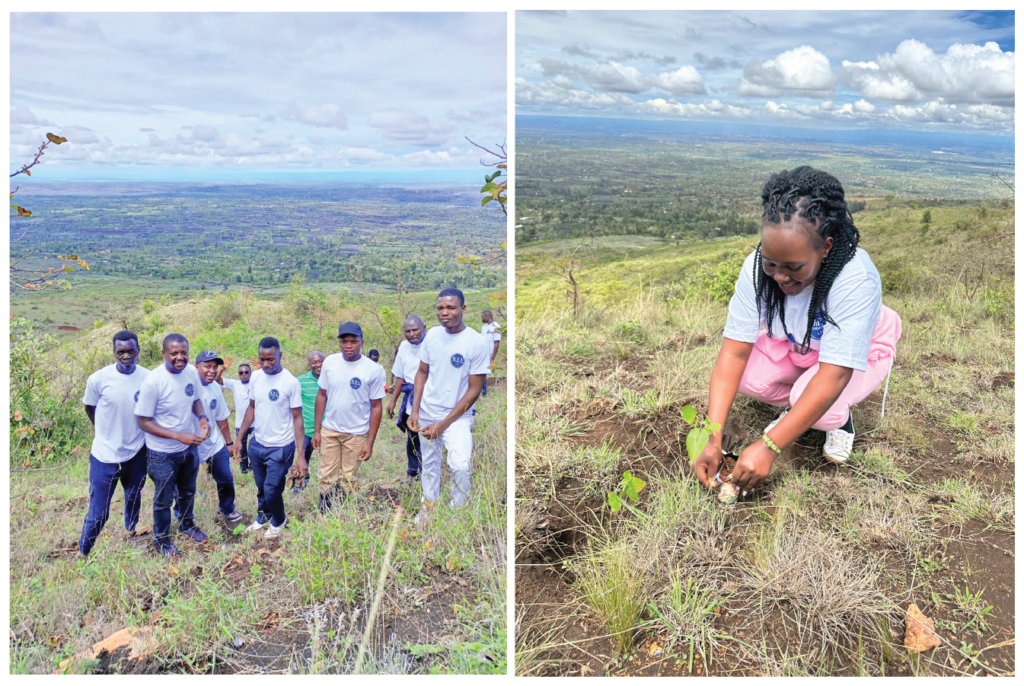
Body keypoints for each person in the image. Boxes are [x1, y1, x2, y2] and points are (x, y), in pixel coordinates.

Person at [692, 166, 902, 498]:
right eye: (770, 263)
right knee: (748, 377)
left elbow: (834, 374)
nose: (780, 277)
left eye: (794, 267)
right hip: (799, 347)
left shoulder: (855, 279)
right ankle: (804, 403)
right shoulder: (755, 269)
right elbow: (733, 354)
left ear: (826, 247)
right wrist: (712, 437)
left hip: (857, 356)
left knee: (816, 398)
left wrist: (770, 446)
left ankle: (834, 417)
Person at [409, 288, 491, 509]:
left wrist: (443, 424)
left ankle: (458, 511)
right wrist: (415, 410)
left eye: (451, 308)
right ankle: (428, 508)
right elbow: (422, 373)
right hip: (428, 413)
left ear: (463, 309)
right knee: (430, 464)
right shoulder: (432, 336)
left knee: (460, 465)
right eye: (440, 308)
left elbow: (474, 390)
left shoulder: (476, 342)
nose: (444, 313)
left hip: (458, 416)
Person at [136, 333, 210, 556]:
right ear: (164, 354)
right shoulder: (153, 382)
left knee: (188, 491)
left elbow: (196, 399)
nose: (180, 357)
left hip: (189, 448)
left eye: (183, 353)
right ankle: (161, 538)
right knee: (163, 499)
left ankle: (186, 524)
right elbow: (143, 421)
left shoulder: (191, 373)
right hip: (162, 453)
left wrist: (202, 418)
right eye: (174, 353)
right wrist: (178, 436)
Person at [78, 331, 150, 558]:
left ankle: (131, 531)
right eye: (121, 352)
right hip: (104, 456)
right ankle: (84, 552)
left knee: (134, 495)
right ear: (114, 352)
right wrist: (102, 432)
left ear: (138, 350)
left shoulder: (148, 378)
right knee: (99, 513)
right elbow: (89, 407)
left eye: (131, 351)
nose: (126, 356)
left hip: (137, 452)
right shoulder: (98, 379)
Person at [233, 337, 307, 539]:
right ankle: (263, 516)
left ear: (280, 356)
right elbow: (252, 408)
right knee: (261, 487)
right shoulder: (256, 377)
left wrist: (301, 455)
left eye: (271, 359)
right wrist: (240, 438)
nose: (266, 364)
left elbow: (297, 418)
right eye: (262, 359)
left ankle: (279, 520)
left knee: (272, 489)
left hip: (280, 447)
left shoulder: (290, 382)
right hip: (257, 444)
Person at [312, 322, 386, 512]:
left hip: (356, 434)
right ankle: (325, 512)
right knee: (326, 475)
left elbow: (376, 407)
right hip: (330, 430)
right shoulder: (330, 362)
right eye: (344, 342)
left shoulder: (373, 370)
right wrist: (317, 431)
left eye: (353, 341)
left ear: (362, 342)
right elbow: (322, 395)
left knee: (348, 477)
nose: (348, 346)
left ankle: (341, 513)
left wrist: (370, 442)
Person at [193, 351, 244, 523]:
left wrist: (229, 442)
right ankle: (184, 517)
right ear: (196, 367)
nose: (212, 371)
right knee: (185, 485)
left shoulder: (215, 386)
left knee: (226, 477)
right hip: (189, 445)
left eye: (215, 367)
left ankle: (228, 509)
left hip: (213, 443)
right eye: (207, 366)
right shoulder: (187, 387)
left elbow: (221, 416)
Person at [386, 315, 426, 483]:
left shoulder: (431, 344)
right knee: (412, 438)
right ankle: (413, 475)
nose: (411, 334)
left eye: (415, 330)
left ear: (423, 328)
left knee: (428, 438)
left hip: (429, 397)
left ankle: (429, 475)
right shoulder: (403, 346)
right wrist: (393, 400)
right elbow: (400, 376)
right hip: (410, 398)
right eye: (407, 331)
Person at [295, 350, 326, 493]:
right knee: (302, 461)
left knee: (329, 464)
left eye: (320, 361)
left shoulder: (332, 379)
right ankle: (299, 489)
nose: (318, 365)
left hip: (328, 431)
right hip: (307, 431)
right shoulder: (300, 381)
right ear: (309, 364)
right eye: (314, 362)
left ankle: (328, 491)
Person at [218, 363, 254, 475]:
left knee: (254, 447)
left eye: (246, 372)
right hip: (240, 424)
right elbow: (217, 380)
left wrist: (262, 368)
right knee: (242, 448)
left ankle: (253, 467)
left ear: (250, 373)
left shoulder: (255, 383)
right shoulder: (235, 384)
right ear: (238, 374)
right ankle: (243, 468)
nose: (244, 374)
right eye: (241, 373)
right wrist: (222, 368)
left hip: (255, 423)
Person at [479, 310, 502, 397]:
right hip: (482, 352)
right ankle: (482, 391)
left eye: (482, 317)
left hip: (489, 353)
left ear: (487, 317)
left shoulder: (496, 326)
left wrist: (492, 357)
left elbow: (496, 343)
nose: (482, 319)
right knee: (481, 371)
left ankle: (484, 392)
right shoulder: (484, 327)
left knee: (484, 371)